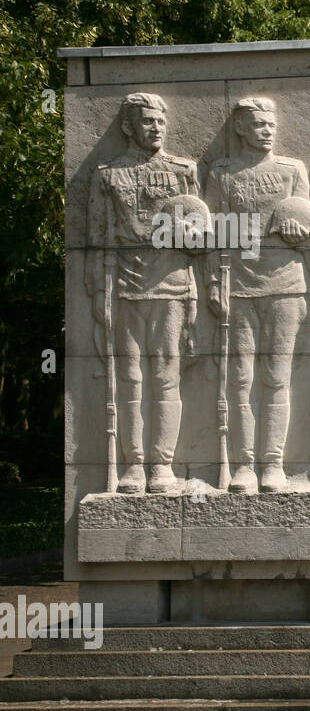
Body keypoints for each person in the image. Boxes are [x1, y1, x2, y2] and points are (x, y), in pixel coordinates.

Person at [87, 92, 203, 494]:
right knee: (130, 378)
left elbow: (201, 236)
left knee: (165, 376)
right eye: (147, 122)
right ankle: (134, 465)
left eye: (160, 121)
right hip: (124, 285)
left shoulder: (183, 170)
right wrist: (97, 290)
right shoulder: (107, 175)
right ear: (128, 127)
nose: (156, 128)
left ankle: (162, 466)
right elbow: (96, 242)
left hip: (170, 283)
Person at [204, 97, 310, 494]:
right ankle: (245, 464)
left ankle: (272, 464)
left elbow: (309, 233)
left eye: (271, 124)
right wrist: (215, 281)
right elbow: (214, 233)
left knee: (276, 377)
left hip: (285, 284)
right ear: (240, 128)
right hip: (239, 283)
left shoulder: (292, 171)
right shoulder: (222, 173)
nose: (267, 130)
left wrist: (299, 236)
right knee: (240, 378)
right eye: (258, 124)